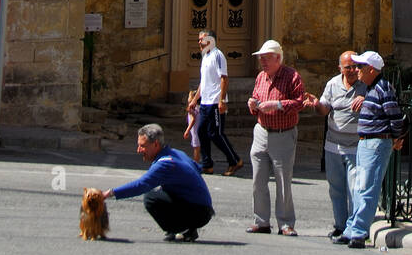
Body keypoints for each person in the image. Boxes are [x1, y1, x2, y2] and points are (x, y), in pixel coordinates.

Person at [334, 52, 405, 249]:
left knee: (367, 188)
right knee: (359, 187)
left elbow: (395, 116)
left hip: (376, 143)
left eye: (361, 67)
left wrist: (397, 138)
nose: (356, 70)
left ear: (371, 70)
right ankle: (351, 229)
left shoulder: (383, 88)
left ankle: (358, 232)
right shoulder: (371, 88)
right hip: (366, 143)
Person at [103, 123, 213, 242]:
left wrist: (110, 193)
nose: (138, 150)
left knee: (151, 198)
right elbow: (197, 167)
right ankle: (186, 228)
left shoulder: (165, 163)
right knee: (161, 191)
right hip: (203, 208)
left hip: (199, 212)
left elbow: (141, 185)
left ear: (155, 144)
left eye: (142, 146)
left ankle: (183, 231)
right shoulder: (176, 152)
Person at [304, 50, 366, 239]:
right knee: (336, 188)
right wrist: (316, 104)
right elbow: (324, 109)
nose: (353, 70)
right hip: (333, 146)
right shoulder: (333, 84)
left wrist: (365, 99)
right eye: (348, 67)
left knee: (354, 188)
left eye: (356, 66)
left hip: (355, 147)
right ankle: (340, 225)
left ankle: (353, 227)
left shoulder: (365, 85)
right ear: (340, 68)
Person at [246, 39, 305, 236]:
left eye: (266, 58)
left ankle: (286, 223)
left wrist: (278, 105)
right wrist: (253, 104)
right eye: (261, 58)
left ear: (278, 58)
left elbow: (299, 102)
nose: (262, 62)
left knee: (283, 181)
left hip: (283, 134)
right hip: (261, 131)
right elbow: (256, 97)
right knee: (258, 180)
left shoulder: (292, 76)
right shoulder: (261, 77)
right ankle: (261, 221)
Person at [189, 30, 243, 176]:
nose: (199, 42)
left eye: (202, 39)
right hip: (205, 102)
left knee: (216, 134)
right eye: (199, 39)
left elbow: (224, 78)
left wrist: (221, 100)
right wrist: (195, 99)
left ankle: (234, 160)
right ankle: (207, 165)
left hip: (215, 101)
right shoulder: (205, 57)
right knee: (201, 131)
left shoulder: (218, 56)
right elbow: (203, 82)